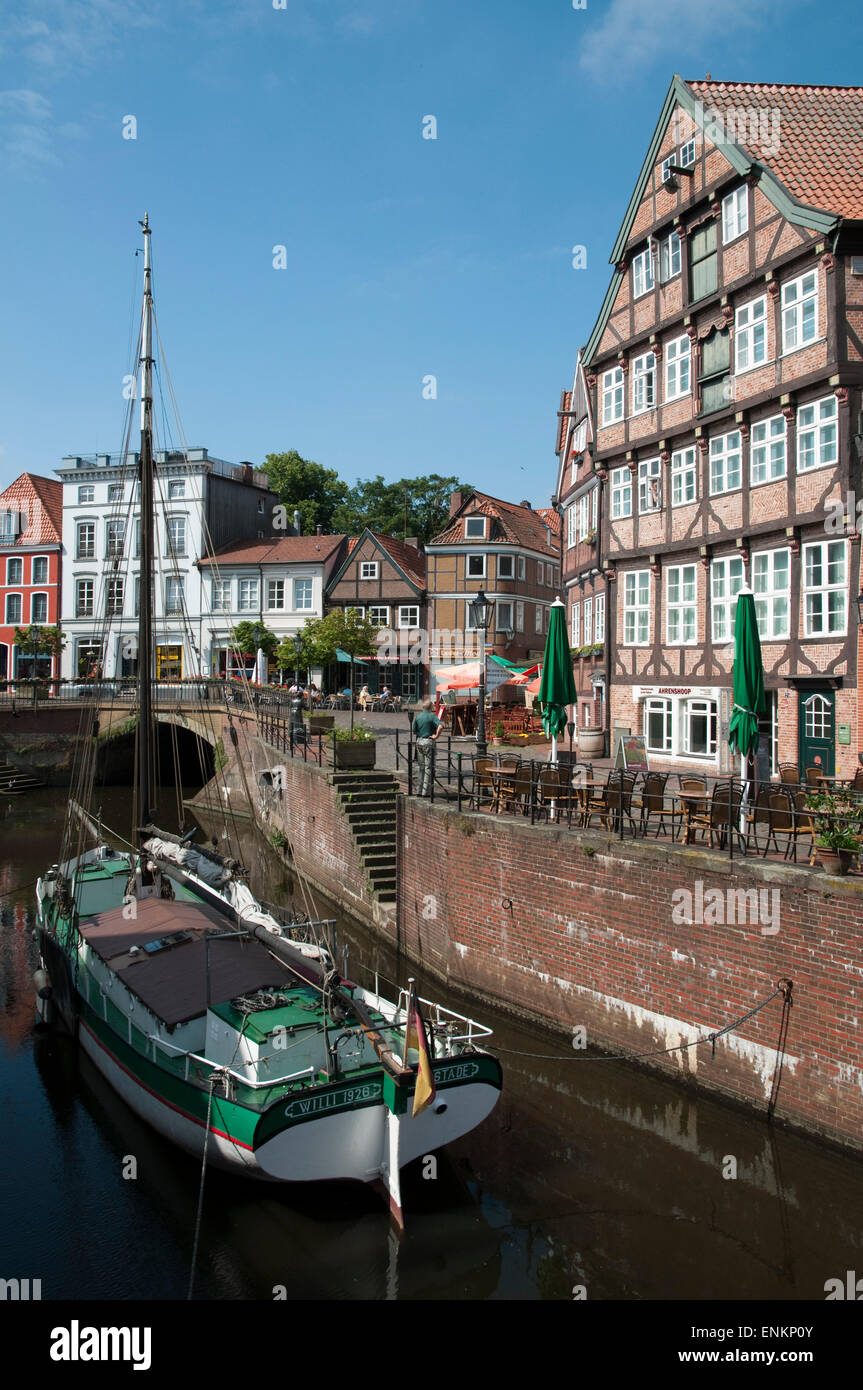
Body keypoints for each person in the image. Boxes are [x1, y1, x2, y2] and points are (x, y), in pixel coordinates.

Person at [413, 698, 441, 796]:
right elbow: (441, 726)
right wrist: (436, 736)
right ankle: (426, 792)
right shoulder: (432, 716)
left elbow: (414, 731)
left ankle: (418, 791)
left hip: (419, 742)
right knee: (428, 767)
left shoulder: (418, 716)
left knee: (421, 767)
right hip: (428, 742)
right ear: (431, 707)